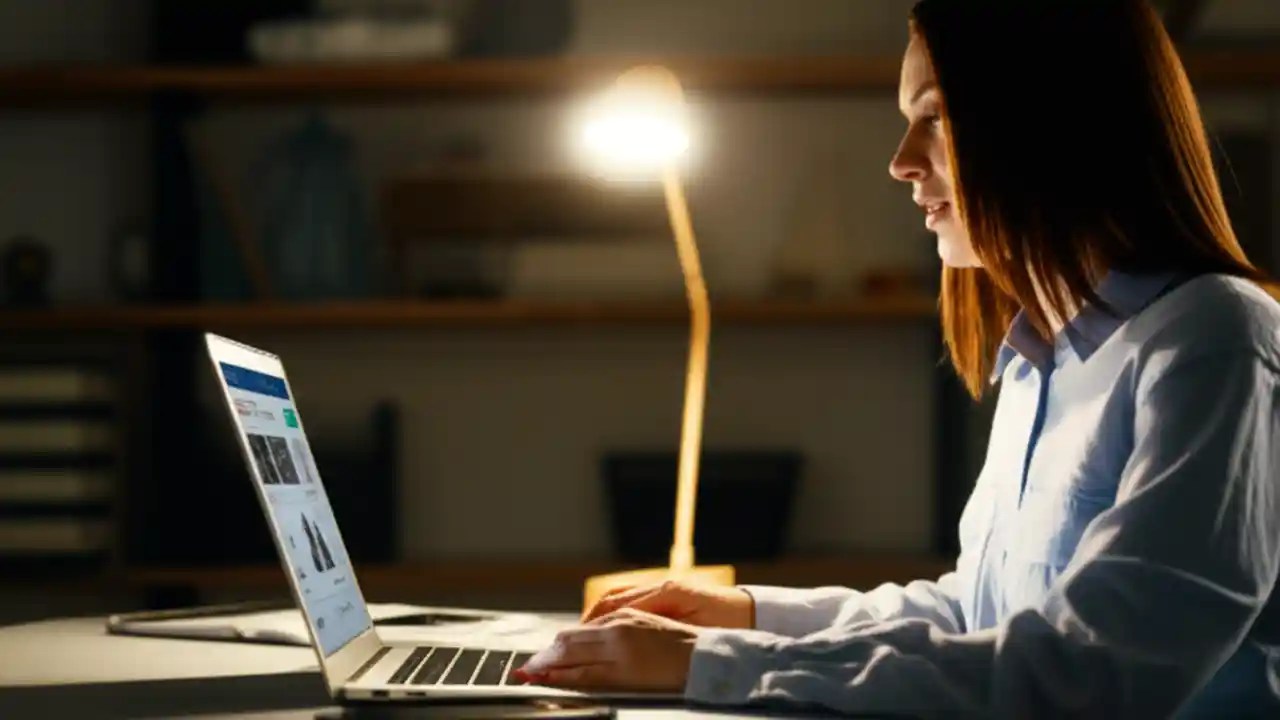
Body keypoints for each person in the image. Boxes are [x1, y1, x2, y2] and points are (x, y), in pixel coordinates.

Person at [514, 1, 1280, 717]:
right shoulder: (1041, 359)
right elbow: (971, 616)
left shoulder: (1212, 337)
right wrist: (744, 612)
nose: (902, 163)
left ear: (1049, 121)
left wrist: (711, 663)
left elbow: (1095, 670)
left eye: (936, 118)